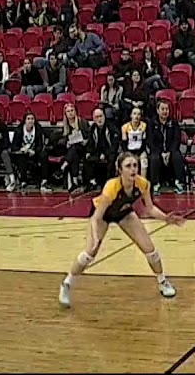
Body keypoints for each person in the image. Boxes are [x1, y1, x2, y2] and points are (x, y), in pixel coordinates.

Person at [59, 152, 186, 308]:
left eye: (135, 165)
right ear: (120, 170)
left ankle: (162, 282)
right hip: (103, 215)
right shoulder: (112, 187)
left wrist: (166, 218)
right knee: (89, 254)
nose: (133, 169)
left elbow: (151, 208)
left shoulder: (143, 184)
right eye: (128, 166)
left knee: (150, 250)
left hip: (123, 212)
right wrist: (95, 238)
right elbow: (96, 217)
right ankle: (66, 284)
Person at [147, 101, 186, 194]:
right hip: (158, 151)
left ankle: (180, 183)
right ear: (157, 110)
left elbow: (177, 139)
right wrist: (161, 153)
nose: (165, 111)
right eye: (162, 109)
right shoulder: (152, 123)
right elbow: (150, 141)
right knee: (154, 158)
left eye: (167, 109)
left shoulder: (174, 123)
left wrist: (169, 152)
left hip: (171, 151)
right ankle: (155, 184)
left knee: (177, 156)